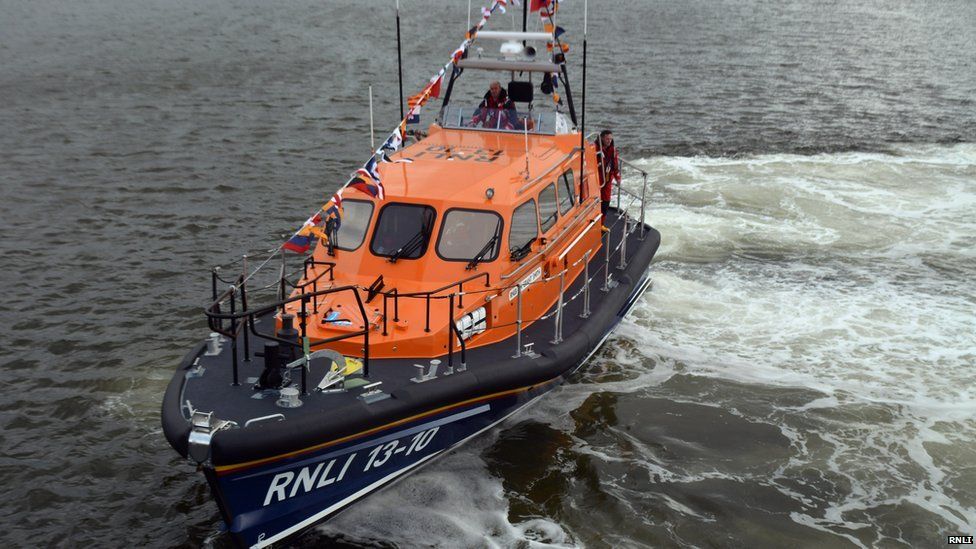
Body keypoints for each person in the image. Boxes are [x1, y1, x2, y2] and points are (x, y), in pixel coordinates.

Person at [469, 81, 533, 130]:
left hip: (506, 130)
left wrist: (504, 130)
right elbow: (477, 114)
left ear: (500, 89)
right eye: (492, 89)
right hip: (492, 129)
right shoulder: (486, 102)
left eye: (495, 88)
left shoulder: (508, 102)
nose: (494, 91)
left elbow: (513, 119)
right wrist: (472, 124)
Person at [595, 129, 620, 230]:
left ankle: (601, 224)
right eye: (607, 139)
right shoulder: (595, 148)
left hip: (607, 179)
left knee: (605, 202)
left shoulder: (612, 150)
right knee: (595, 202)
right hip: (596, 179)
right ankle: (594, 223)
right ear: (602, 138)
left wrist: (618, 178)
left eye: (610, 139)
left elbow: (615, 165)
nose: (609, 141)